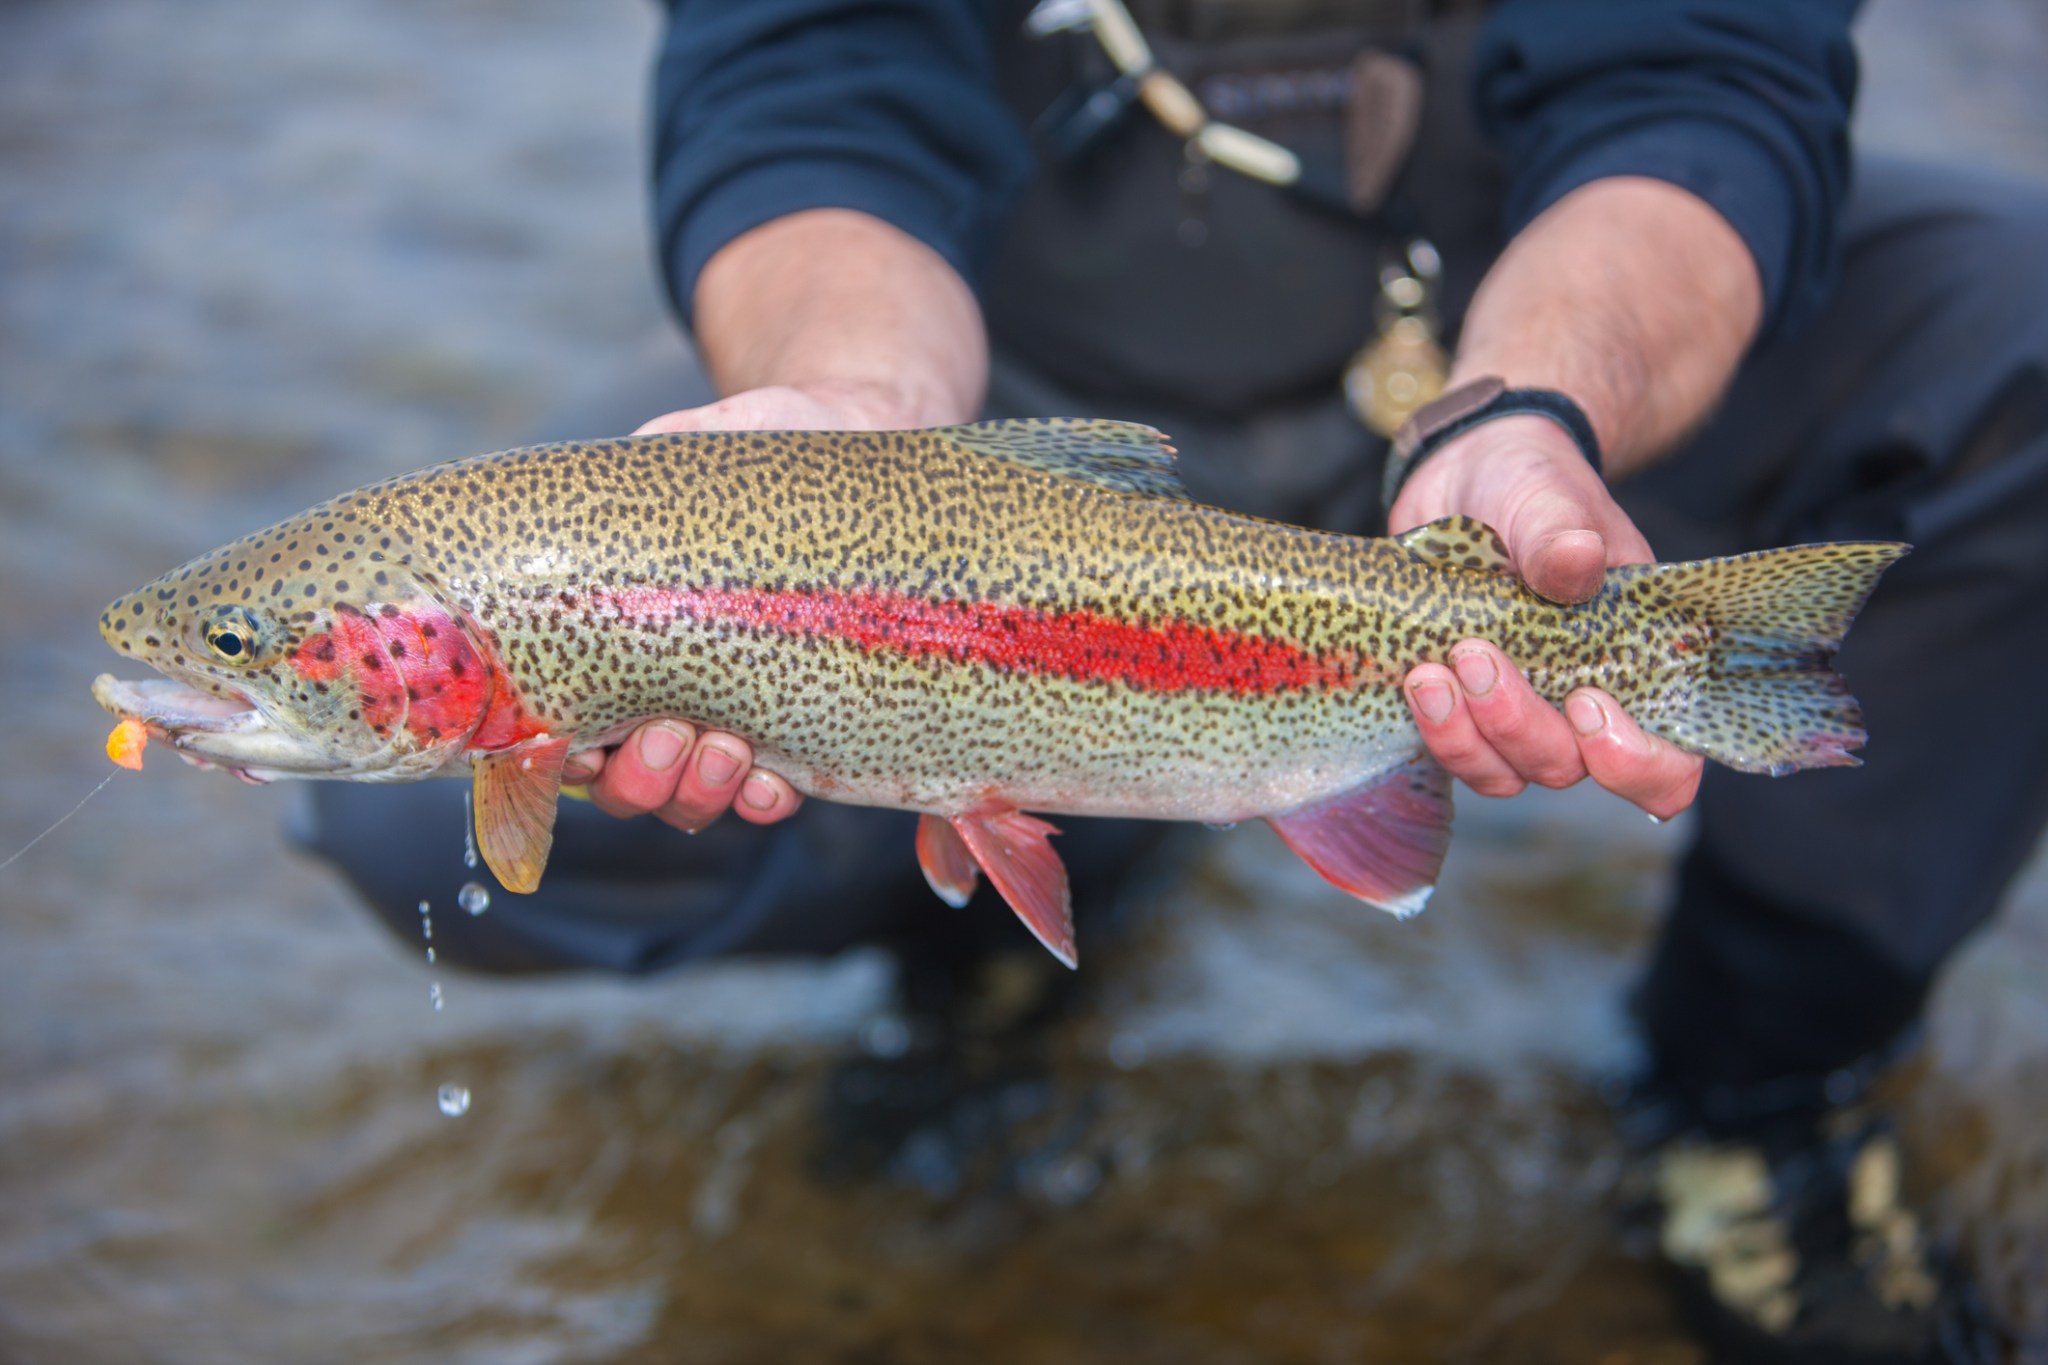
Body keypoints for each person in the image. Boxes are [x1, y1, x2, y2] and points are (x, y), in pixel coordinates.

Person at [305, 0, 2045, 1356]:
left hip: (1521, 345)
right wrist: (853, 422)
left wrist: (1529, 402)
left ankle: (1761, 1096)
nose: (254, 674)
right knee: (416, 838)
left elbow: (1700, 81)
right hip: (1009, 402)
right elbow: (808, 84)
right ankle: (1018, 928)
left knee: (2022, 345)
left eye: (268, 655)